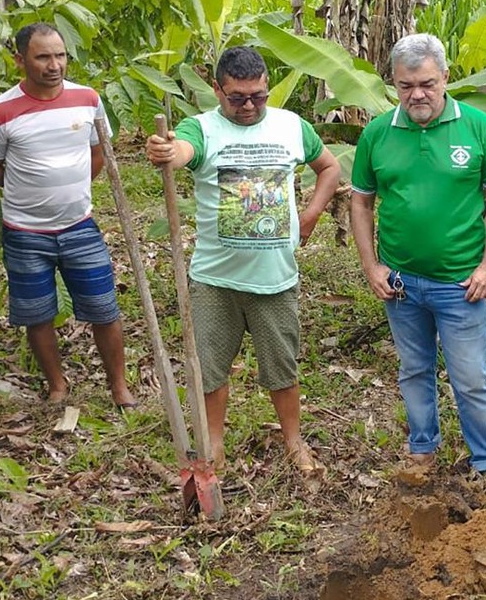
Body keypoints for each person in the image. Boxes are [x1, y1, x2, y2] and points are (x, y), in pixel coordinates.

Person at [146, 47, 340, 474]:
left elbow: (329, 168)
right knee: (211, 367)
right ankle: (214, 445)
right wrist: (168, 151)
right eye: (237, 97)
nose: (250, 105)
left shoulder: (292, 126)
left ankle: (294, 442)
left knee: (282, 367)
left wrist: (309, 216)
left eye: (259, 96)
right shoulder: (201, 128)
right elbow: (183, 150)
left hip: (275, 279)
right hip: (215, 278)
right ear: (216, 89)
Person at [350, 33, 486, 502]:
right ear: (394, 84)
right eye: (405, 86)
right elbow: (360, 205)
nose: (416, 94)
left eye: (426, 83)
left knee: (470, 377)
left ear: (445, 77)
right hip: (401, 282)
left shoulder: (479, 128)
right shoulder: (378, 133)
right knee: (414, 369)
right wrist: (371, 266)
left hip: (460, 283)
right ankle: (423, 450)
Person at [0, 23, 135, 408]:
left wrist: (68, 188)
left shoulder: (87, 99)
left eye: (60, 55)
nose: (54, 65)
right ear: (20, 60)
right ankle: (57, 386)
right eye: (43, 56)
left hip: (80, 225)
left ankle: (118, 387)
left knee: (104, 308)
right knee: (38, 313)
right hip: (25, 231)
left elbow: (98, 154)